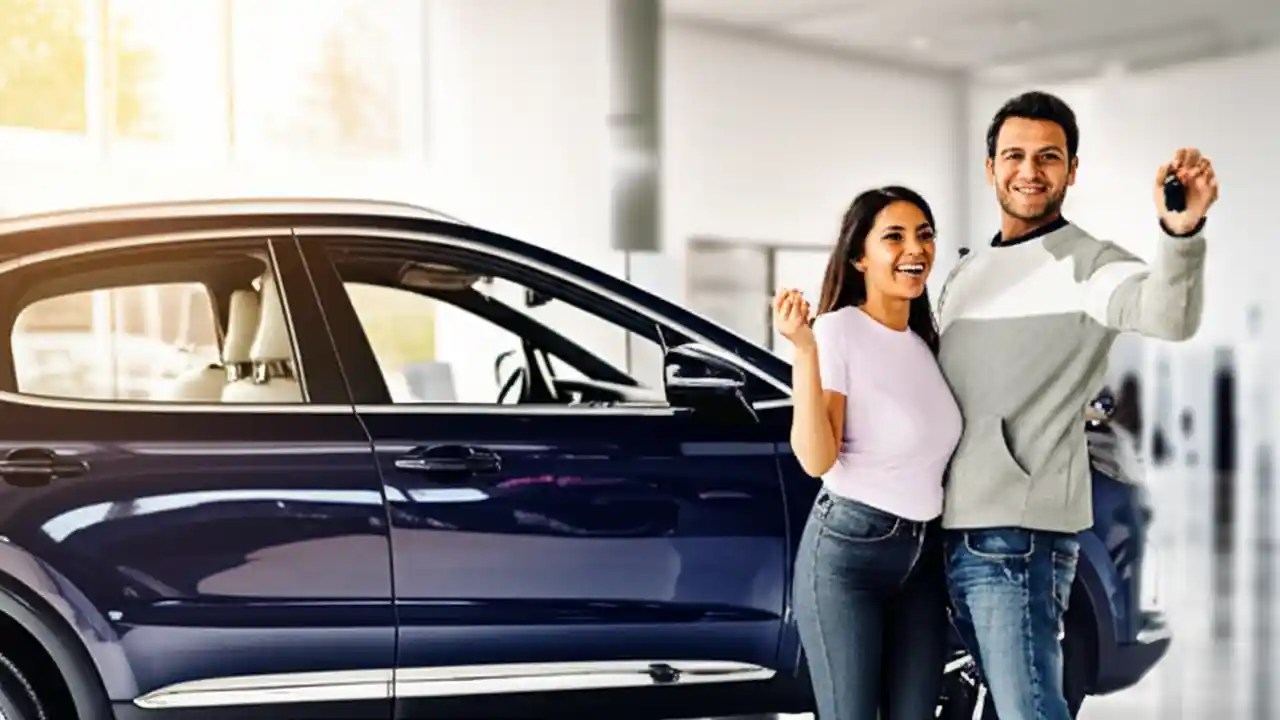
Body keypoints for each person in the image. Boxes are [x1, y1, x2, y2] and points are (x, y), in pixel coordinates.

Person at [934, 90, 1218, 720]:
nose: (1029, 171)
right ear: (990, 168)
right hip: (945, 530)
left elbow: (1169, 314)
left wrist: (1181, 231)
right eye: (1014, 155)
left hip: (1016, 536)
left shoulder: (1091, 265)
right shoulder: (964, 274)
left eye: (1048, 157)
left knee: (1028, 709)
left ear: (1072, 169)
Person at [773, 185, 963, 720]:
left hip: (922, 561)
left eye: (925, 235)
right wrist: (804, 351)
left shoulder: (924, 344)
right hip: (848, 557)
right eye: (895, 237)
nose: (916, 249)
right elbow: (816, 458)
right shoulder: (837, 332)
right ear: (859, 256)